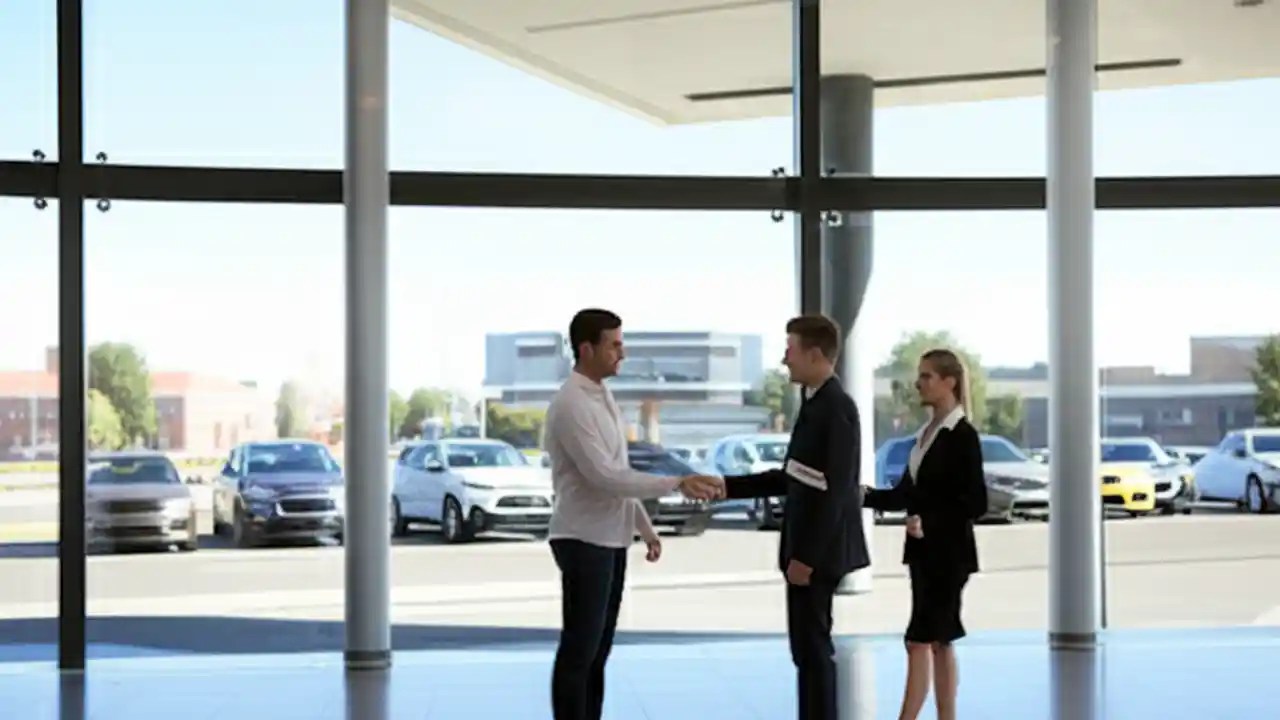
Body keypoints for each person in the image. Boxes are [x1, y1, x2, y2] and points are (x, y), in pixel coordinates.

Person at [544, 308, 723, 720]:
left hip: (610, 538)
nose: (622, 352)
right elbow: (605, 476)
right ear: (586, 349)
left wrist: (645, 527)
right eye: (615, 344)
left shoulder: (601, 394)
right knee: (580, 649)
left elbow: (618, 470)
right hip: (582, 538)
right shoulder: (571, 403)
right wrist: (675, 483)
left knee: (598, 651)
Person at [718, 314, 870, 720]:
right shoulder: (817, 404)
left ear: (815, 354)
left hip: (814, 556)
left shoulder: (834, 408)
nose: (785, 359)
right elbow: (794, 477)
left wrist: (807, 556)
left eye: (790, 350)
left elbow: (836, 491)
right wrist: (725, 487)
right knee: (806, 650)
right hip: (807, 552)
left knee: (813, 650)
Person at [861, 348, 987, 720]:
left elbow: (975, 501)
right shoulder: (925, 436)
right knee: (939, 639)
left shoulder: (962, 436)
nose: (919, 383)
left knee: (919, 639)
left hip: (948, 554)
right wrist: (862, 496)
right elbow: (906, 494)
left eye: (927, 376)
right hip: (924, 554)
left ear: (949, 382)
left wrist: (929, 519)